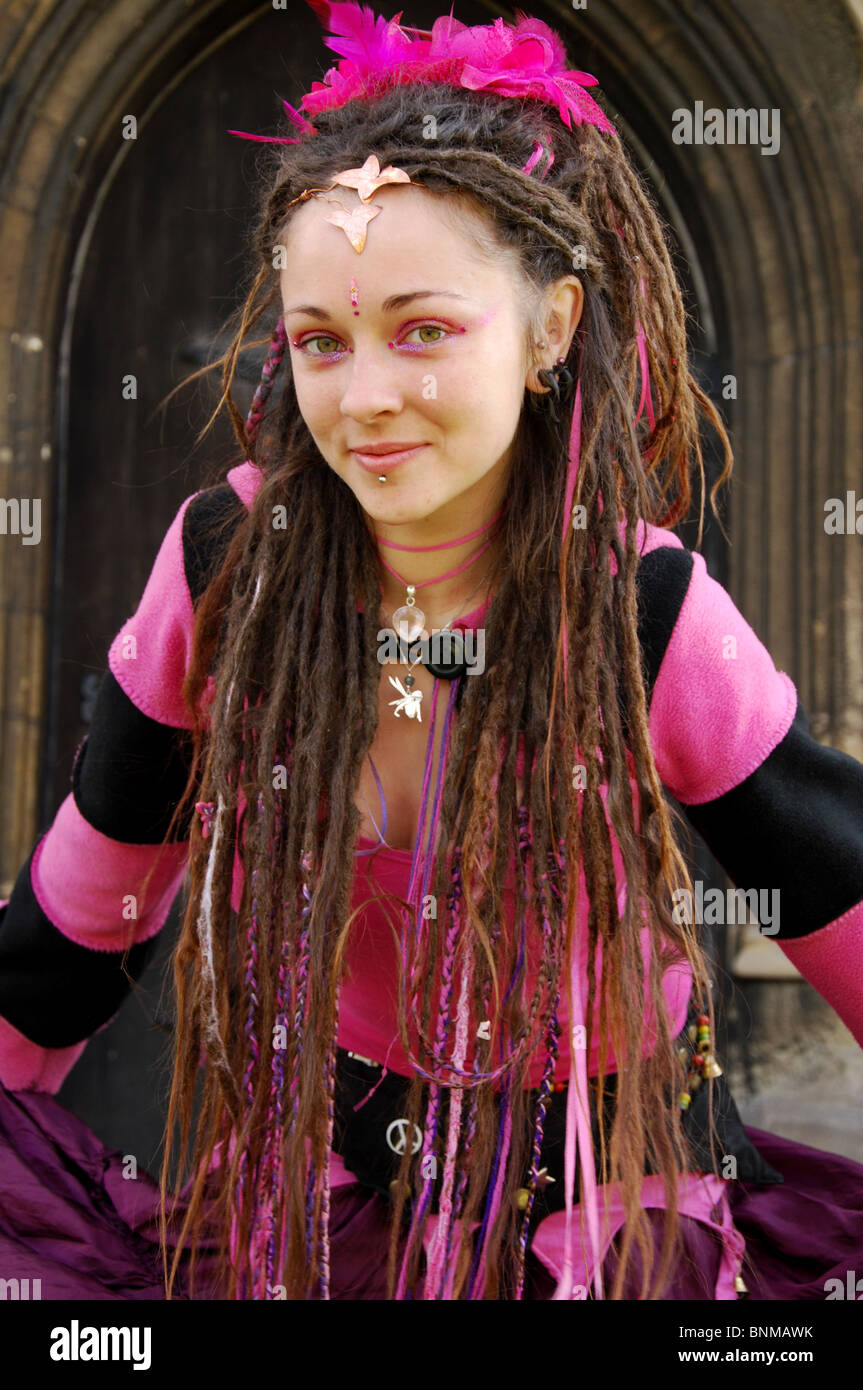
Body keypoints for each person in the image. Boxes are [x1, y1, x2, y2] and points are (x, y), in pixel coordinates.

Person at [1, 1, 862, 1302]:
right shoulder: (225, 568)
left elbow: (835, 889)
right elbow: (86, 906)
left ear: (552, 328)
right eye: (320, 342)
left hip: (615, 1200)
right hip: (332, 1192)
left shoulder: (640, 603)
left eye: (425, 329)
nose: (367, 398)